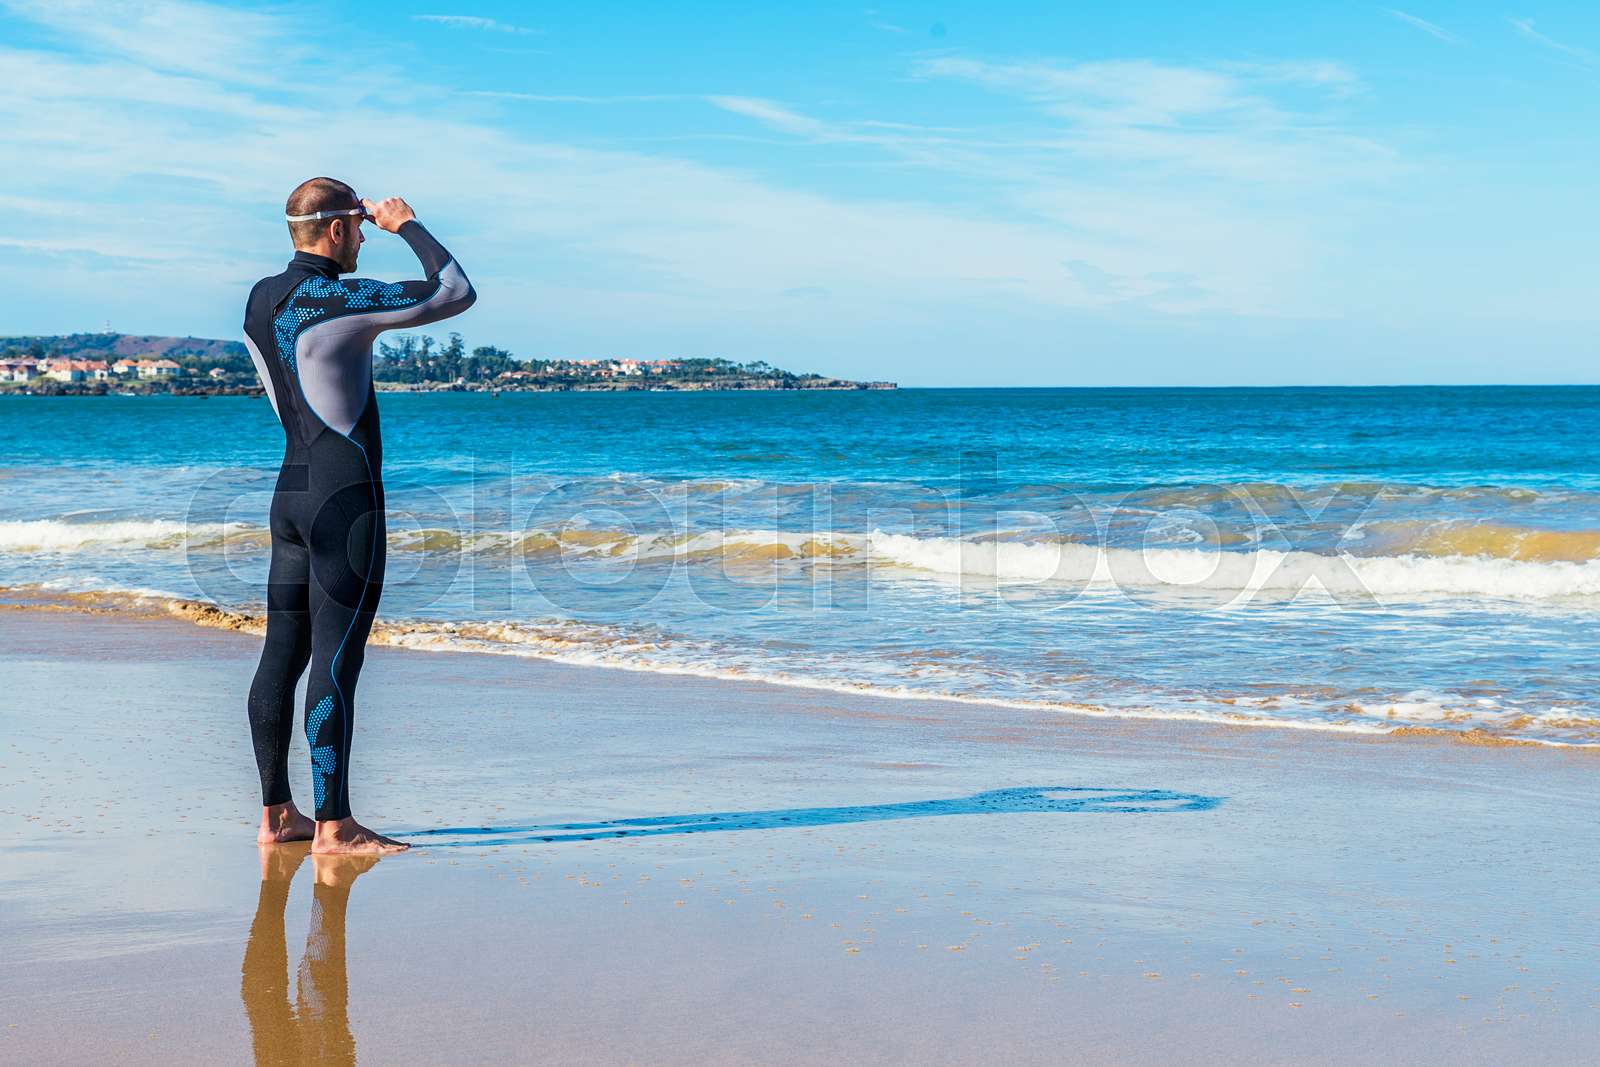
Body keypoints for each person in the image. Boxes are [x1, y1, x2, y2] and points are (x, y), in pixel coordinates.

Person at [243, 177, 475, 853]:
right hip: (343, 499)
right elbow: (453, 290)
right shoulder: (339, 298)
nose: (365, 242)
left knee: (280, 656)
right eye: (361, 230)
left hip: (290, 492)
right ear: (338, 229)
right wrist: (407, 224)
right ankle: (335, 825)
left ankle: (277, 817)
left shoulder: (260, 298)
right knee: (336, 660)